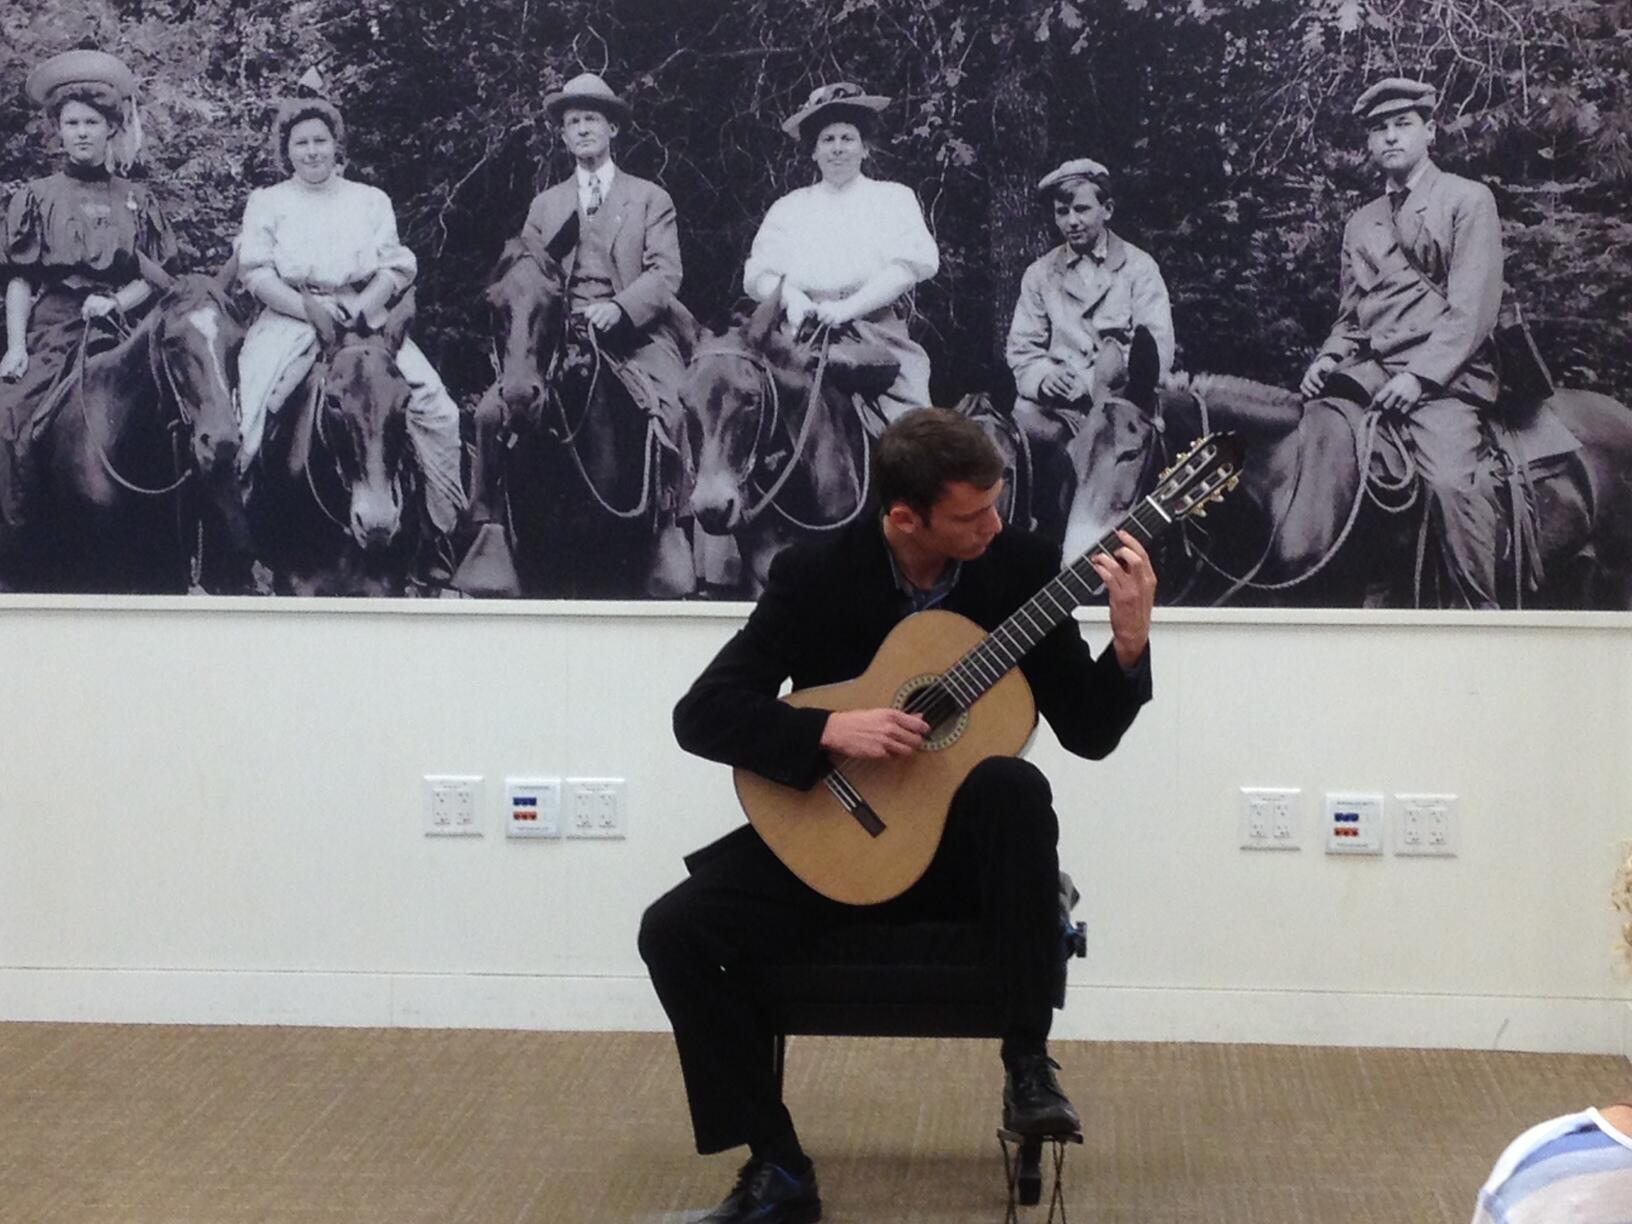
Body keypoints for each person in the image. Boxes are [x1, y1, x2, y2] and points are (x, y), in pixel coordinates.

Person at [639, 407, 1155, 1222]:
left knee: (1012, 788)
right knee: (672, 930)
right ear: (905, 517)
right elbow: (701, 714)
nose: (995, 524)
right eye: (971, 514)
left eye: (998, 503)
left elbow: (1087, 733)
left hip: (963, 856)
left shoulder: (1020, 570)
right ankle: (775, 1166)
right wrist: (828, 728)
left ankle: (1028, 1066)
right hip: (839, 832)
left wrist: (1127, 647)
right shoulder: (815, 574)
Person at [234, 72, 465, 575]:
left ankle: (440, 536)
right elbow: (256, 274)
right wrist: (311, 313)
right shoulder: (268, 202)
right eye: (301, 143)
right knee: (252, 414)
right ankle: (246, 538)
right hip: (293, 318)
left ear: (336, 145)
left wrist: (363, 309)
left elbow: (396, 265)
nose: (312, 152)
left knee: (437, 409)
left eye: (320, 141)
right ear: (286, 149)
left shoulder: (369, 199)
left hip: (366, 319)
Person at [1300, 76, 1504, 609]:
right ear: (1369, 143)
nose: (1391, 137)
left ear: (1428, 131)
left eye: (1402, 124)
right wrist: (1326, 358)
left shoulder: (1466, 200)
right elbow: (1351, 319)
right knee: (1314, 449)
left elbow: (1471, 312)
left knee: (1450, 484)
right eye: (1379, 129)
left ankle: (1479, 612)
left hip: (1448, 378)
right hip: (1374, 371)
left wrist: (1420, 377)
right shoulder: (1360, 223)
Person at [492, 71, 697, 595]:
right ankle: (492, 527)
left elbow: (665, 273)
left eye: (591, 120)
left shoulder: (650, 198)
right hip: (558, 333)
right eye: (572, 122)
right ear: (563, 136)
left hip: (636, 334)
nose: (582, 129)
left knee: (674, 406)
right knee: (495, 410)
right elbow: (527, 274)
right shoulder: (545, 206)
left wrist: (620, 309)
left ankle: (671, 524)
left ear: (612, 130)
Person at [0, 49, 177, 577]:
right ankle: (16, 546)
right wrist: (15, 346)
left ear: (110, 129)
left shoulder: (138, 200)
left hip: (125, 328)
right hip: (53, 326)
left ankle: (201, 556)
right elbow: (20, 278)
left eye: (91, 123)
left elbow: (156, 277)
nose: (81, 132)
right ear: (57, 130)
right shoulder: (35, 197)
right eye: (71, 123)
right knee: (8, 415)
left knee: (189, 418)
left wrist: (117, 302)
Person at [742, 82, 940, 435]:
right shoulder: (789, 208)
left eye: (847, 139)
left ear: (865, 148)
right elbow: (760, 273)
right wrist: (794, 300)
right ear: (813, 152)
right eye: (827, 140)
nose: (837, 149)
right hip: (800, 334)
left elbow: (906, 267)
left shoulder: (893, 199)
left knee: (915, 433)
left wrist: (850, 309)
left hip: (876, 332)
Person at [1005, 157, 1175, 543]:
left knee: (1125, 465)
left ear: (1107, 210)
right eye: (1062, 212)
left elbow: (1156, 351)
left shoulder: (1138, 269)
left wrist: (1088, 381)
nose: (1071, 221)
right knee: (1016, 455)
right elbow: (1022, 348)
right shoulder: (1040, 274)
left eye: (1082, 209)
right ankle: (1029, 540)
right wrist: (1044, 379)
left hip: (1119, 408)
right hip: (1054, 409)